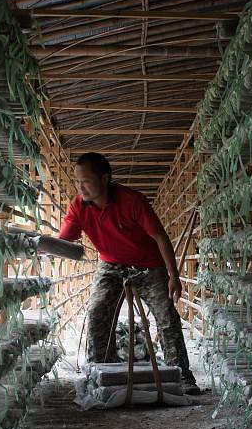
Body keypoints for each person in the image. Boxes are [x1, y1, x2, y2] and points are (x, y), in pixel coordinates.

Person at [57, 152, 199, 395]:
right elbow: (63, 242)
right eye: (77, 181)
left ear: (105, 179)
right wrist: (38, 245)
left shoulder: (132, 201)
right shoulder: (78, 206)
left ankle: (182, 377)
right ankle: (102, 374)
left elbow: (160, 237)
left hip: (148, 265)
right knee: (97, 313)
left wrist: (173, 276)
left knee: (166, 316)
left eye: (86, 181)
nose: (81, 187)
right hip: (111, 265)